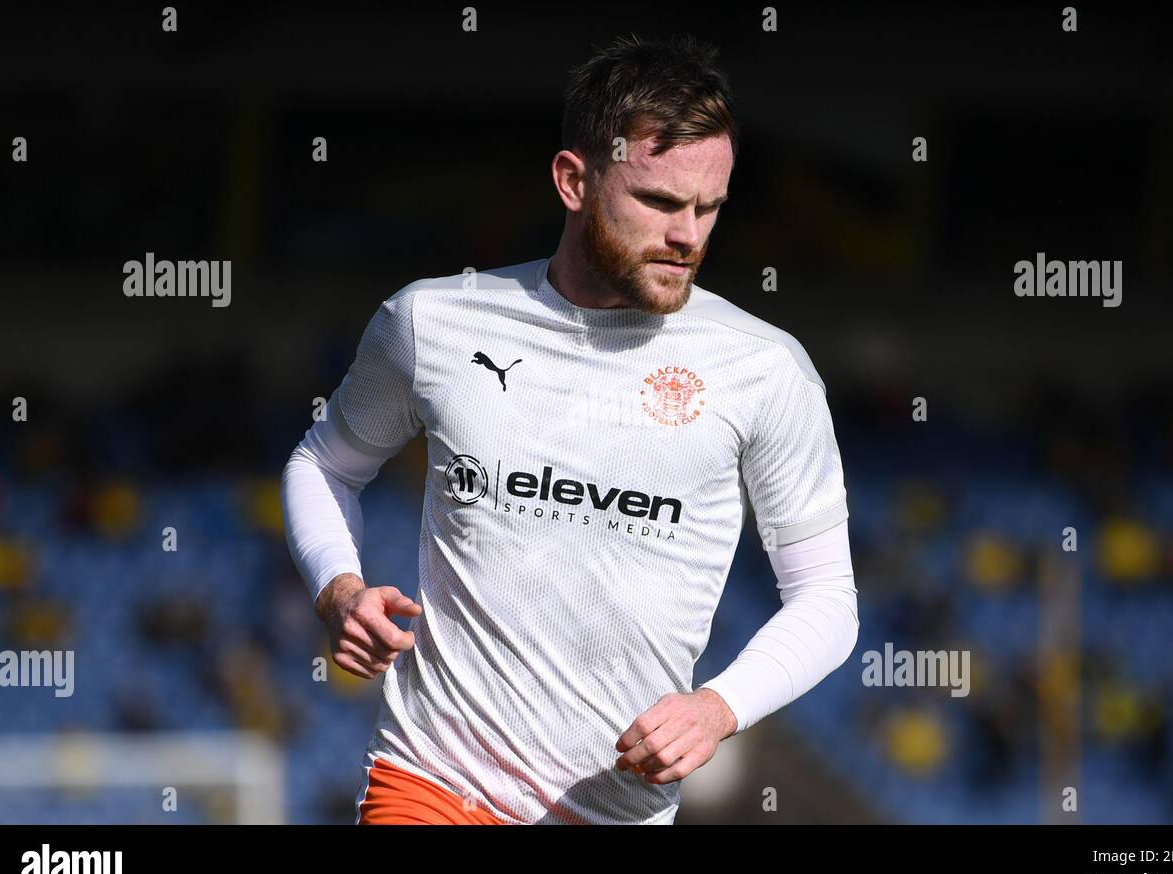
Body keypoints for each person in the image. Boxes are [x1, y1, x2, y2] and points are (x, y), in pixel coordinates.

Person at [281, 32, 859, 825]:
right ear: (573, 180)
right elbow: (324, 464)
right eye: (658, 202)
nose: (687, 235)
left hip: (613, 808)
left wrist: (719, 707)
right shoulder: (434, 322)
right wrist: (339, 588)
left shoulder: (766, 371)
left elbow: (827, 598)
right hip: (431, 781)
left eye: (709, 207)